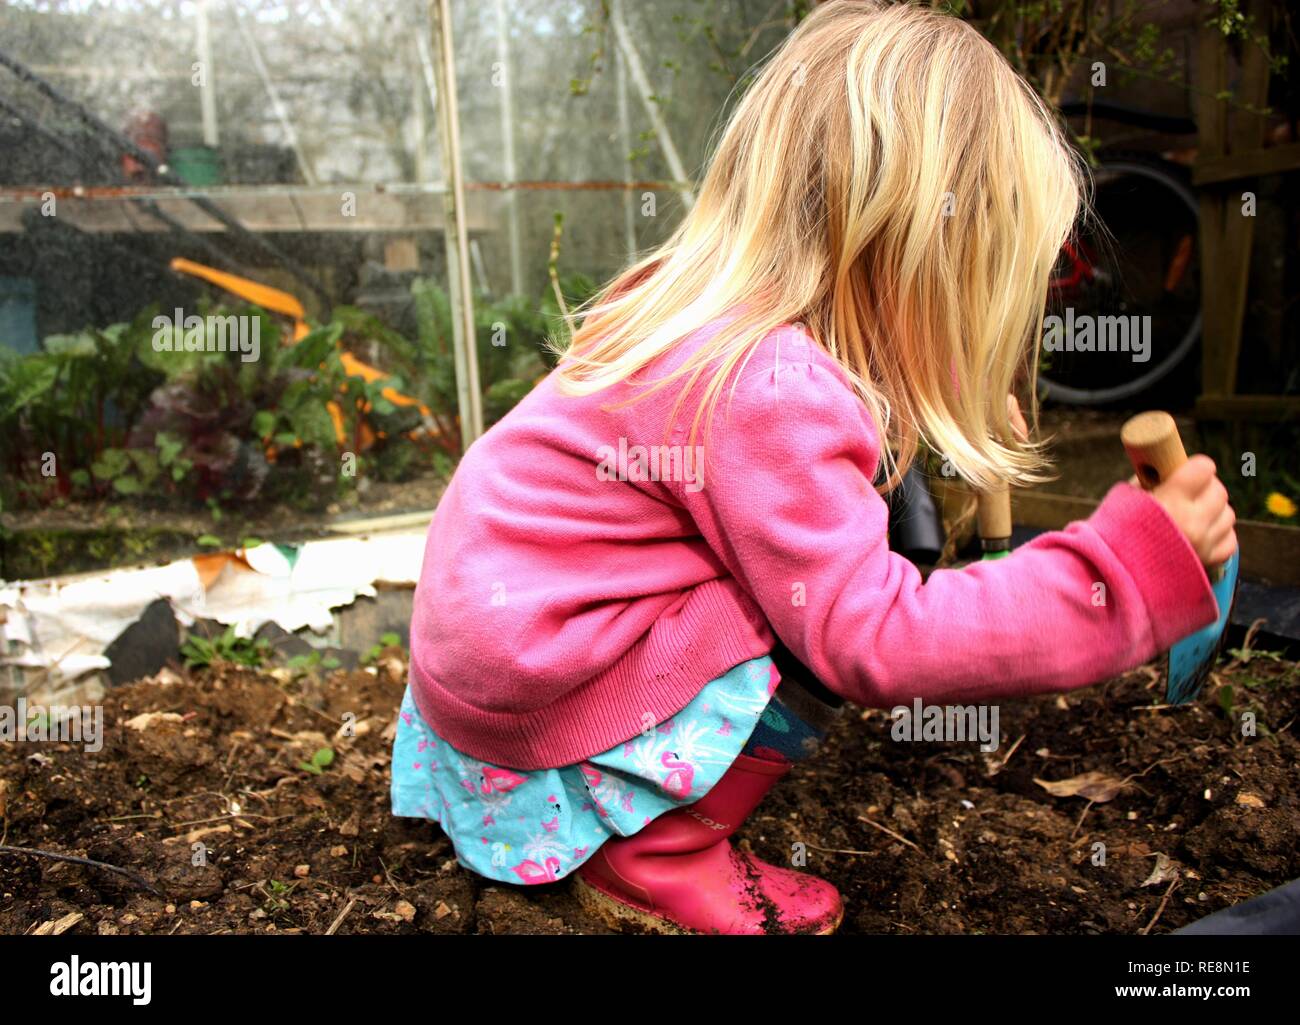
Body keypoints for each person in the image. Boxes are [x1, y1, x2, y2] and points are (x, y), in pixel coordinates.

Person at [391, 1, 1235, 934]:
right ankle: (656, 856)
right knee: (818, 611)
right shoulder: (772, 387)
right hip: (543, 690)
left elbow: (820, 425)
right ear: (912, 252)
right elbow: (880, 641)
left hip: (490, 666)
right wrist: (1127, 571)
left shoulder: (701, 319)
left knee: (826, 554)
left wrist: (928, 403)